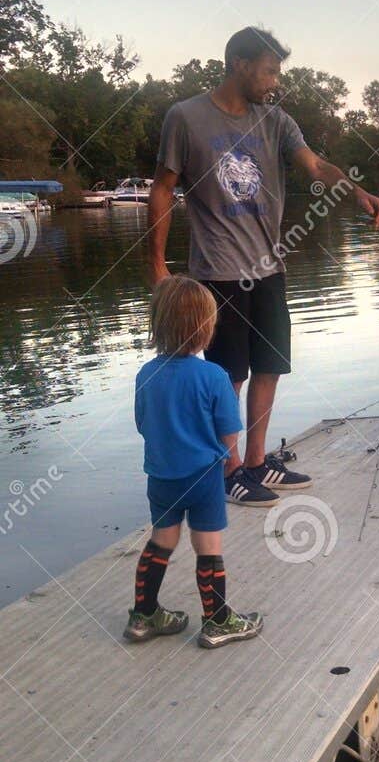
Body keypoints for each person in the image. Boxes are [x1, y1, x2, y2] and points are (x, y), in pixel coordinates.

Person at [148, 26, 379, 506]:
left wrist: (355, 190)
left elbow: (316, 166)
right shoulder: (186, 117)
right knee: (228, 376)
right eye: (270, 71)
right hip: (218, 271)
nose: (276, 82)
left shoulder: (276, 121)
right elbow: (163, 188)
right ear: (240, 64)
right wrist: (156, 263)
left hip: (270, 267)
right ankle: (228, 470)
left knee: (269, 366)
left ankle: (256, 463)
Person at [125, 275, 263, 649]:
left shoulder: (146, 374)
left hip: (161, 477)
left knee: (162, 541)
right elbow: (229, 435)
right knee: (207, 546)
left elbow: (142, 424)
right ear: (205, 329)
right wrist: (224, 456)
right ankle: (217, 621)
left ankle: (143, 616)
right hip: (203, 477)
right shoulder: (214, 376)